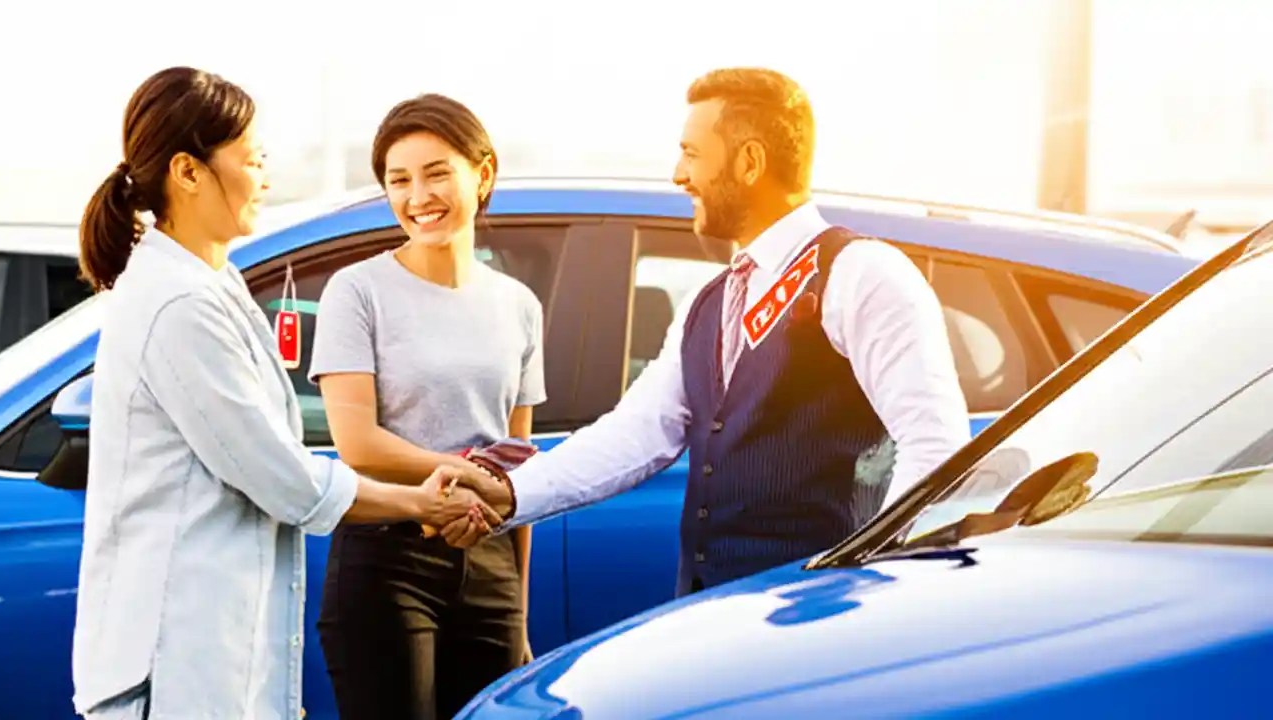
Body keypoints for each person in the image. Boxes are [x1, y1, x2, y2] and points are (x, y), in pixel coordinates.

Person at [442, 67, 971, 595]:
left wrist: (874, 589)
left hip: (819, 618)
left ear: (749, 162)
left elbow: (937, 451)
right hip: (710, 614)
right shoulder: (708, 301)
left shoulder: (862, 273)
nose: (679, 175)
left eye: (691, 153)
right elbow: (636, 432)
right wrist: (509, 490)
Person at [72, 67, 493, 720]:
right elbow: (281, 477)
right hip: (178, 668)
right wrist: (420, 502)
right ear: (188, 172)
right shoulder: (176, 303)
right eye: (253, 160)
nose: (265, 179)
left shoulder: (210, 284)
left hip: (211, 664)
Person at [307, 93, 545, 720]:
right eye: (399, 180)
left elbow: (518, 465)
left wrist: (518, 608)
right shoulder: (356, 292)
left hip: (489, 557)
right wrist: (465, 476)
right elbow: (357, 443)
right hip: (388, 558)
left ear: (483, 174)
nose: (418, 197)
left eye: (437, 173)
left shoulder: (519, 305)